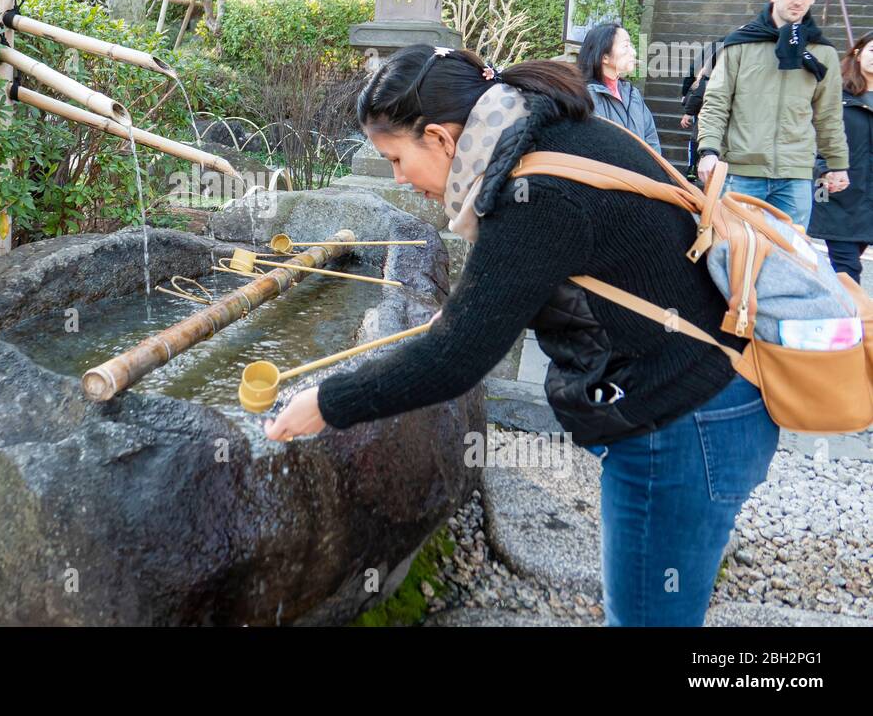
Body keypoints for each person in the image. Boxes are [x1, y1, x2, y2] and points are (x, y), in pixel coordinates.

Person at [263, 43, 779, 627]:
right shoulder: (546, 128)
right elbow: (565, 269)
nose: (401, 180)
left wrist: (327, 403)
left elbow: (456, 360)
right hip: (712, 395)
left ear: (439, 138)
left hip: (685, 421)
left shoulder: (536, 192)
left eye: (396, 160)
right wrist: (480, 309)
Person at [695, 0, 849, 231]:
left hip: (795, 175)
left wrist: (836, 164)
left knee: (789, 260)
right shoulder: (741, 43)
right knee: (730, 253)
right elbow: (716, 101)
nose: (798, 0)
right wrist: (708, 151)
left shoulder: (822, 53)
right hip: (741, 170)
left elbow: (829, 114)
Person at [809, 32, 873, 282]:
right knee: (847, 269)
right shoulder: (836, 93)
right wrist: (825, 168)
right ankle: (849, 319)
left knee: (849, 265)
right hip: (837, 192)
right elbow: (816, 133)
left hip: (869, 198)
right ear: (857, 54)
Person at [577, 23, 661, 152]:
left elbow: (651, 138)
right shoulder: (587, 97)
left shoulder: (632, 93)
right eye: (625, 46)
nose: (633, 52)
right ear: (604, 57)